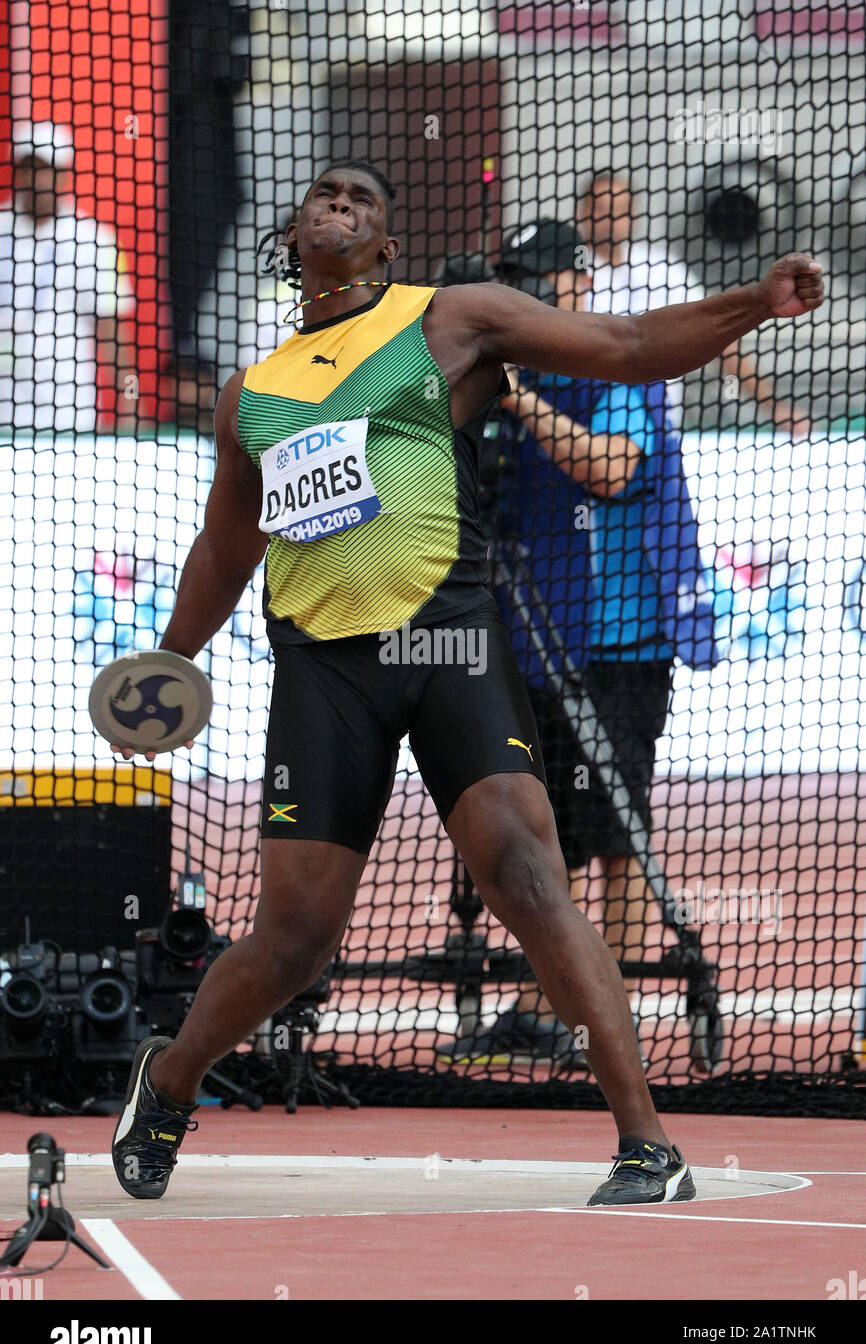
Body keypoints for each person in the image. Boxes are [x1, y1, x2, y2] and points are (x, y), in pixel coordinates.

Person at [109, 160, 823, 1208]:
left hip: (445, 642)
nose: (340, 200)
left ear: (387, 245)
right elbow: (226, 550)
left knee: (527, 871)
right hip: (325, 667)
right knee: (296, 938)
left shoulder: (450, 319)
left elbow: (625, 349)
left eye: (362, 195)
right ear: (295, 236)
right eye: (326, 193)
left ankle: (644, 1146)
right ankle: (168, 1080)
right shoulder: (250, 394)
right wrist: (167, 662)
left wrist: (750, 303)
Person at [438, 220, 717, 1068]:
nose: (525, 294)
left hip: (618, 645)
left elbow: (614, 469)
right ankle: (542, 1003)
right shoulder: (509, 373)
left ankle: (604, 1018)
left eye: (539, 280)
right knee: (539, 830)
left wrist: (521, 399)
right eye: (513, 280)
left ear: (577, 285)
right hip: (533, 645)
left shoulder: (609, 366)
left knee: (616, 833)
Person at [577, 171, 810, 439]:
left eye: (620, 210)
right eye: (602, 208)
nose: (611, 220)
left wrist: (774, 407)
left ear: (634, 214)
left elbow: (720, 338)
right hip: (585, 433)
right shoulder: (568, 272)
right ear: (583, 212)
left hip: (660, 430)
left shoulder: (662, 269)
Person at [0, 121, 137, 434]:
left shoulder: (94, 238)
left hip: (67, 417)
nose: (35, 180)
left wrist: (129, 407)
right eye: (27, 169)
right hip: (3, 414)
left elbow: (113, 331)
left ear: (63, 174)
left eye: (44, 170)